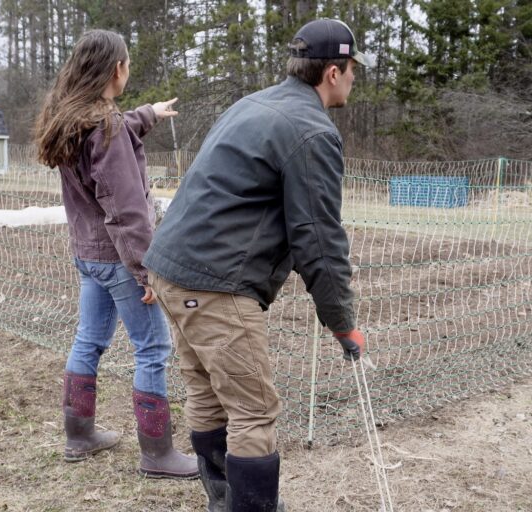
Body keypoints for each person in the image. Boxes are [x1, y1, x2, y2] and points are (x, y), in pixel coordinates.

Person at [143, 18, 374, 511]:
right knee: (254, 408)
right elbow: (318, 239)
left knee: (207, 391)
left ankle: (225, 501)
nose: (355, 76)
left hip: (171, 268)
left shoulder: (253, 103)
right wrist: (343, 324)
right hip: (214, 282)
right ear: (333, 72)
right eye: (353, 67)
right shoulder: (311, 131)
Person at [33, 29, 197, 479]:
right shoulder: (106, 128)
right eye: (126, 64)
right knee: (153, 348)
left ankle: (79, 434)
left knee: (88, 340)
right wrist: (146, 272)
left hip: (87, 255)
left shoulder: (71, 118)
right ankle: (158, 453)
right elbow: (126, 210)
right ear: (117, 69)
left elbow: (118, 133)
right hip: (119, 260)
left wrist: (151, 113)